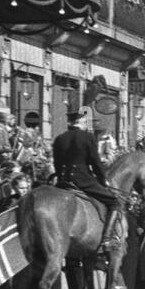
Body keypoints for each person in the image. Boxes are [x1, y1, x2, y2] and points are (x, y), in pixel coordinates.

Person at [52, 108, 121, 252]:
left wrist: (60, 178)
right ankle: (107, 240)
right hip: (82, 180)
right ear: (82, 122)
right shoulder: (87, 138)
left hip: (63, 180)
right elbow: (95, 163)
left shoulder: (59, 138)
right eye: (85, 121)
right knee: (114, 203)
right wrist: (103, 181)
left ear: (70, 122)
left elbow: (56, 164)